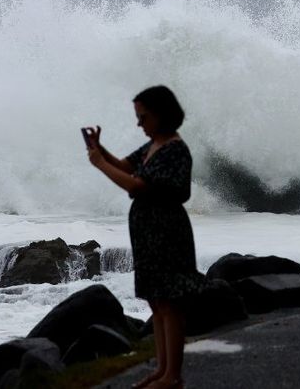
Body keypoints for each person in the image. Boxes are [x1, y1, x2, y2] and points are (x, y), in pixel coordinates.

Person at [82, 85, 204, 389]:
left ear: (161, 114)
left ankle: (172, 376)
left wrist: (98, 165)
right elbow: (125, 166)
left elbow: (137, 186)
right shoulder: (153, 145)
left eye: (143, 116)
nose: (139, 123)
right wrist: (100, 149)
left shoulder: (174, 148)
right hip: (148, 232)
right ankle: (162, 371)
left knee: (169, 303)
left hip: (167, 231)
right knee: (156, 300)